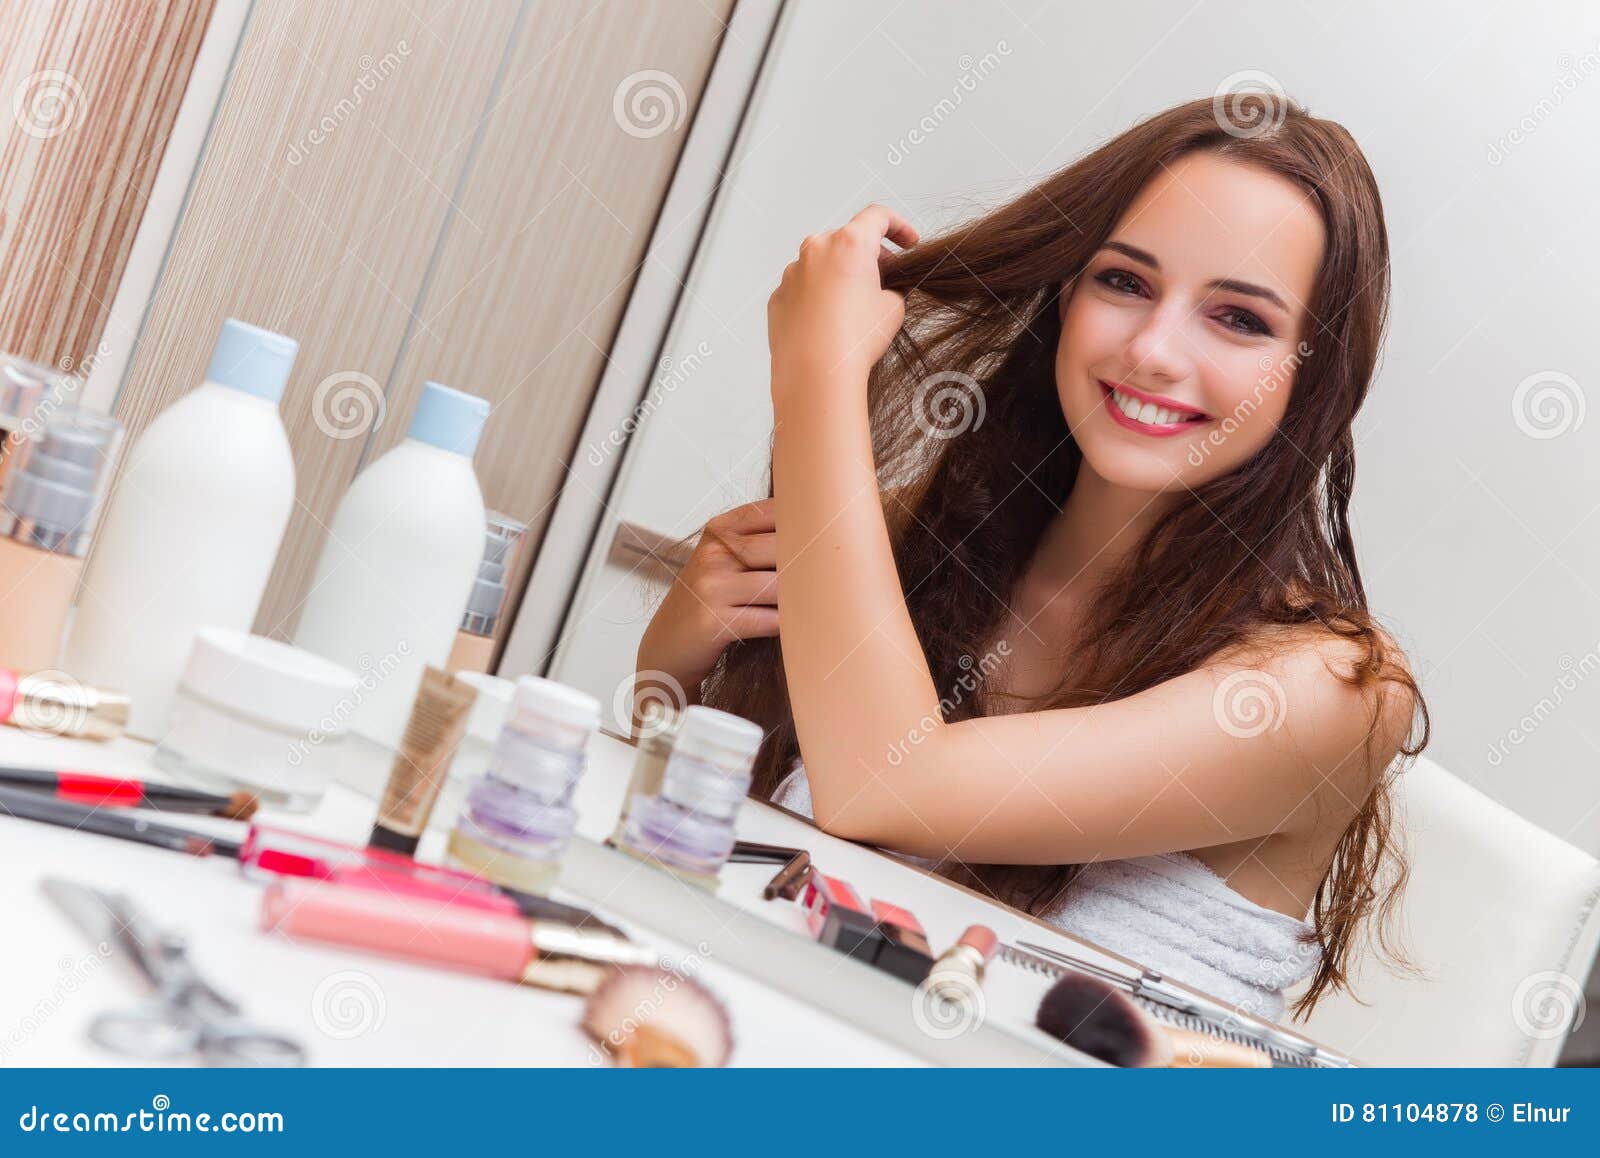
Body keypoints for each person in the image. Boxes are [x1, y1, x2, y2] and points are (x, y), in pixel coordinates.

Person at [637, 95, 1428, 1022]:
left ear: (1314, 372)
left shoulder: (1332, 691)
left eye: (1240, 320)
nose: (1153, 351)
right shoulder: (901, 544)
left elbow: (884, 785)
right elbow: (694, 855)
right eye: (1125, 283)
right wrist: (673, 662)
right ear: (1064, 293)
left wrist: (817, 373)